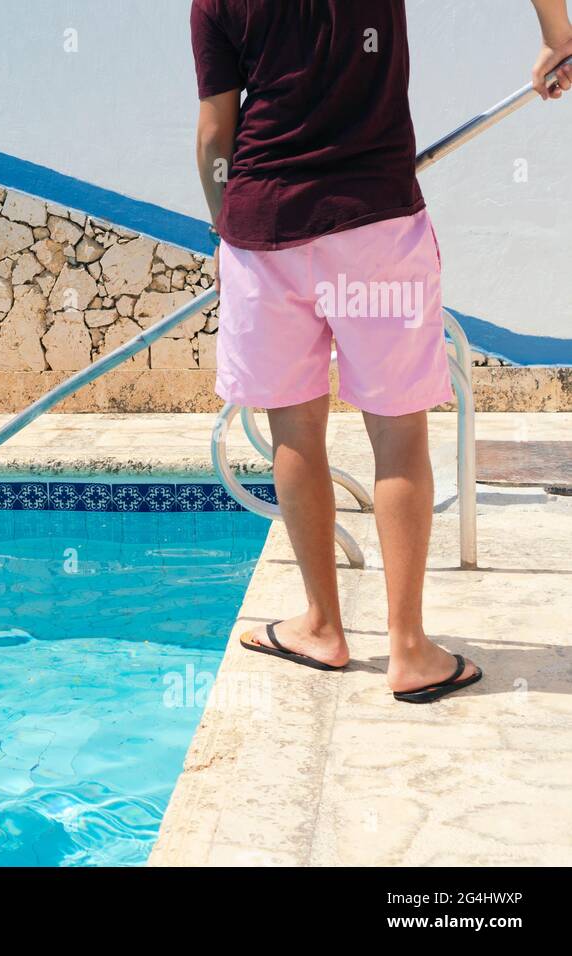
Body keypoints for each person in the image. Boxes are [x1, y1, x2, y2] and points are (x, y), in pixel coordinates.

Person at [190, 0, 572, 702]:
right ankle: (408, 649)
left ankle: (322, 627)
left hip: (265, 230)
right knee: (398, 435)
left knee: (294, 432)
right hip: (377, 225)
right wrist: (559, 36)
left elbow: (217, 134)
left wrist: (225, 227)